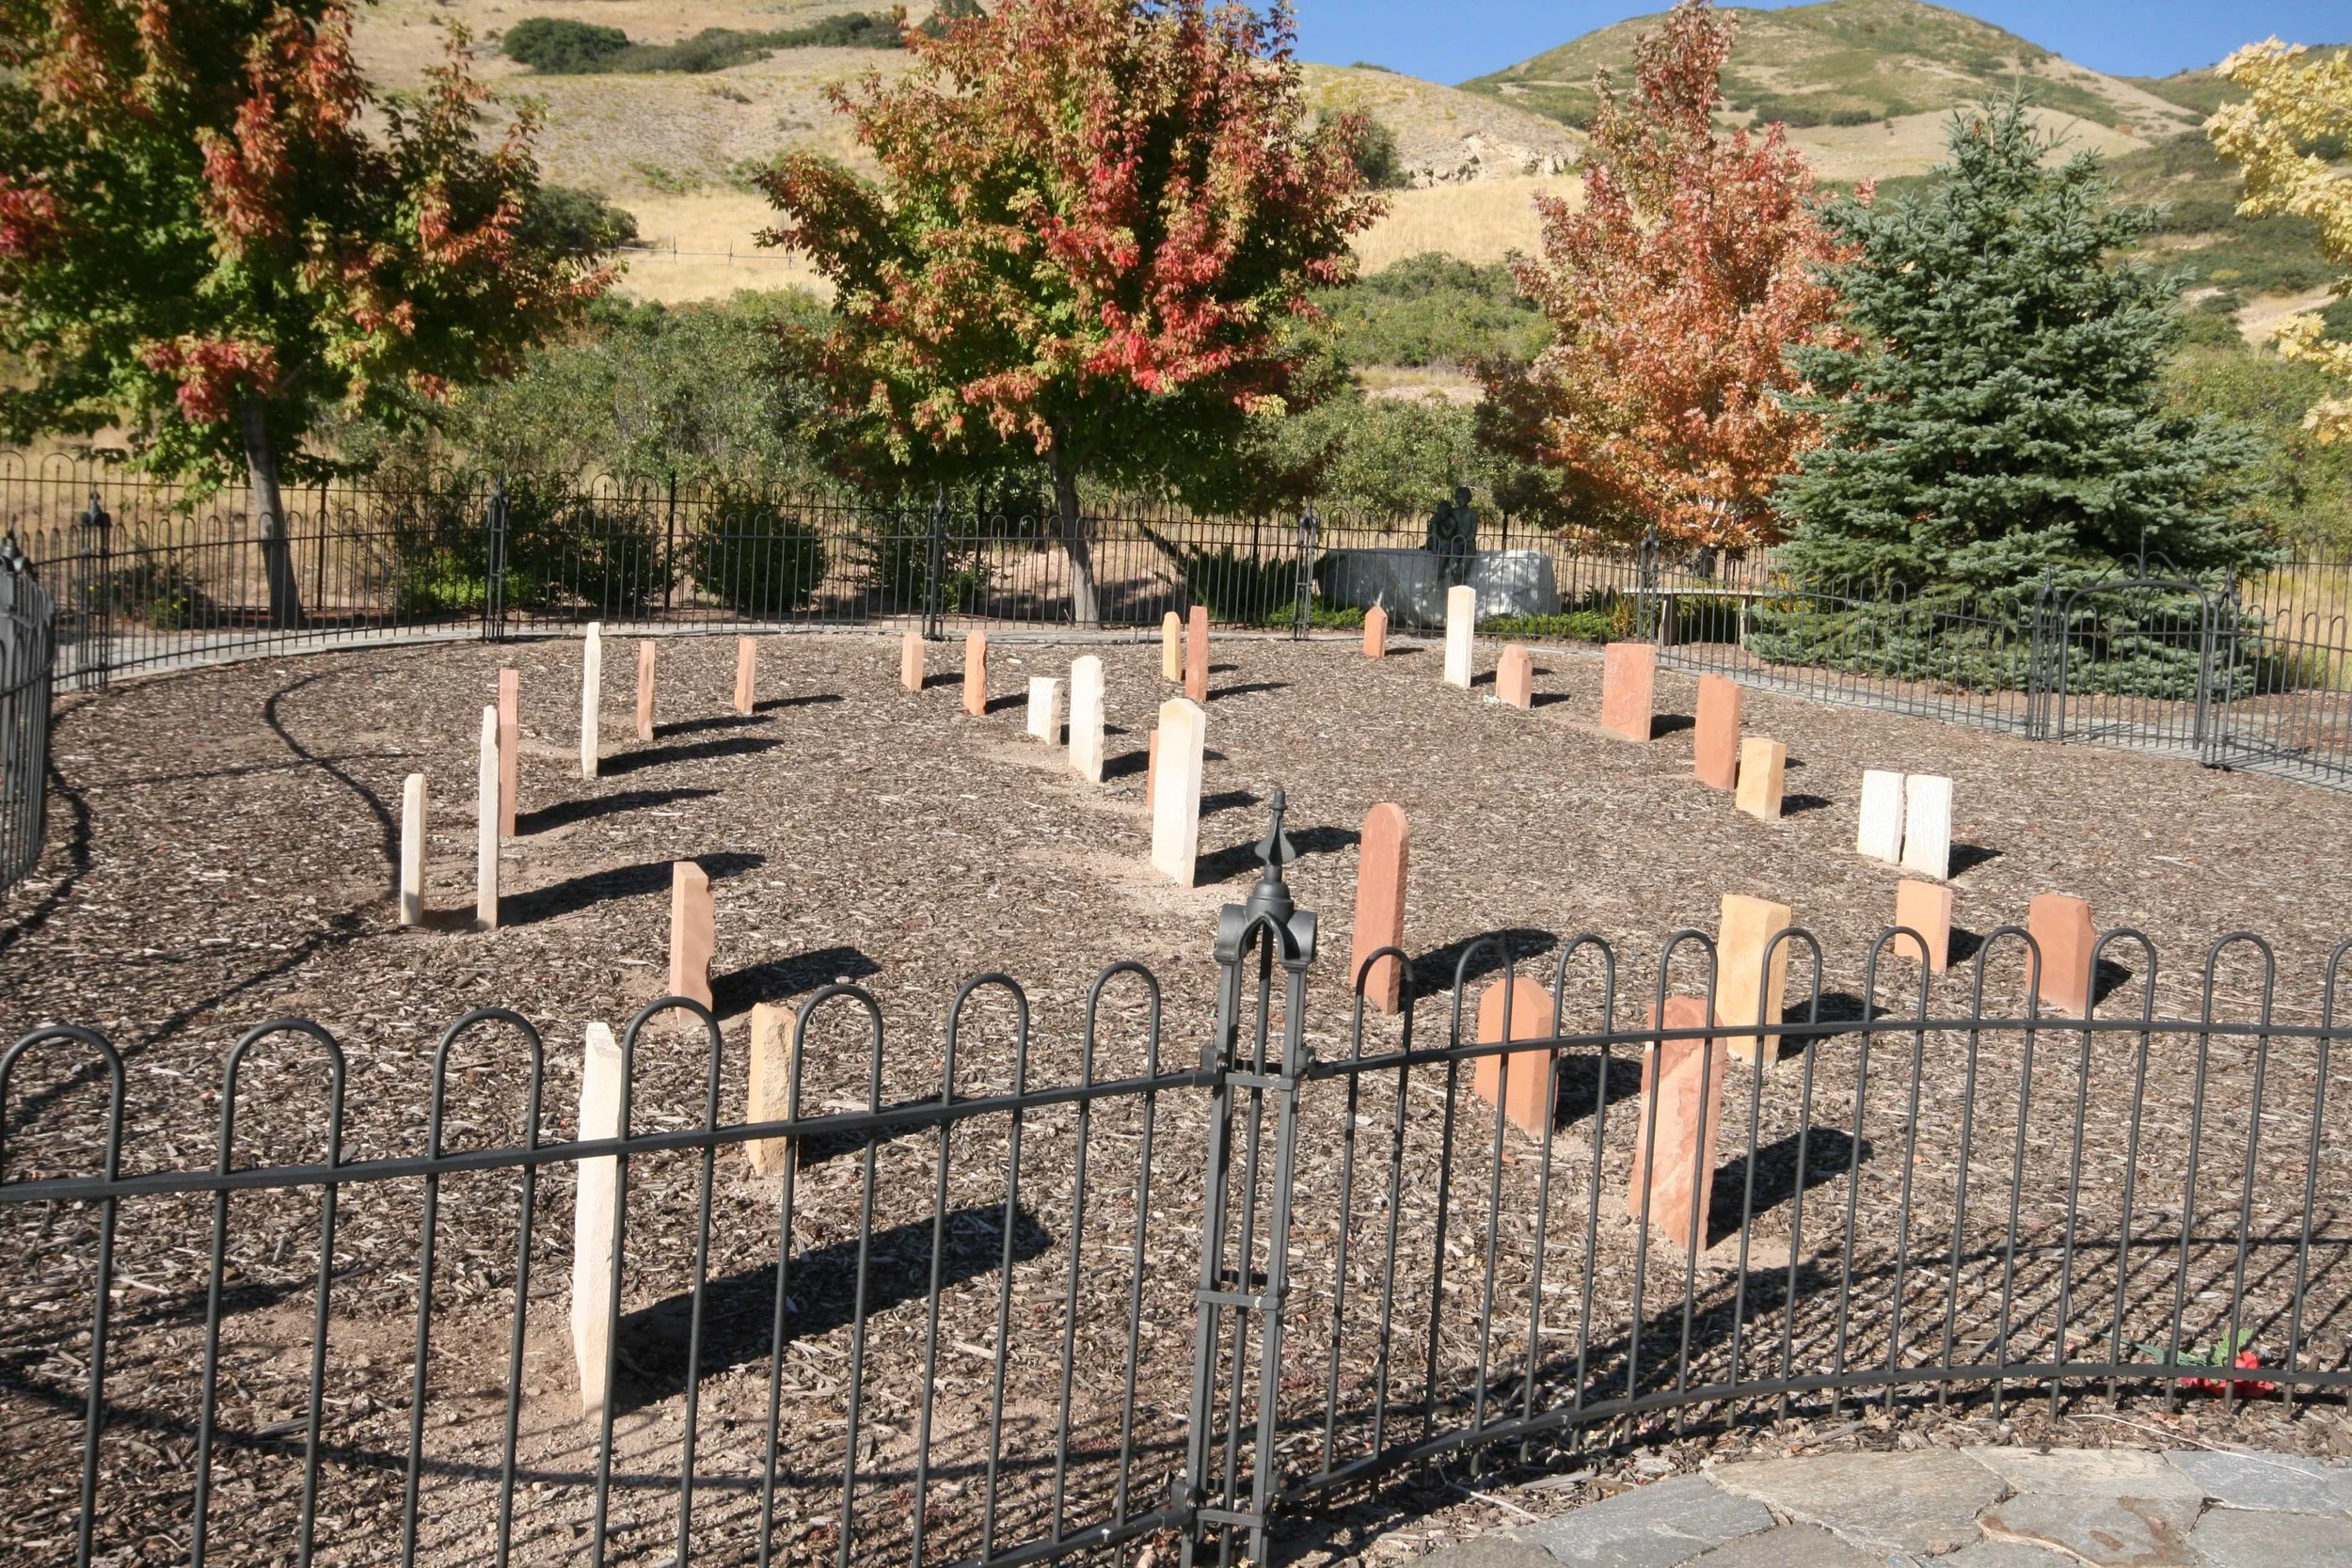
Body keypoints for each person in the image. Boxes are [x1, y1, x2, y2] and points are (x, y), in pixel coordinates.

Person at [1423, 484, 1477, 583]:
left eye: (1461, 497)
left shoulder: (1472, 514)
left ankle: (1459, 574)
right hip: (1454, 540)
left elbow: (1473, 532)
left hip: (1468, 542)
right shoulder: (1453, 512)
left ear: (1468, 498)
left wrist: (1467, 539)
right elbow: (1440, 518)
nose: (1458, 499)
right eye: (1457, 497)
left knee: (1468, 554)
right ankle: (1444, 573)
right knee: (1452, 552)